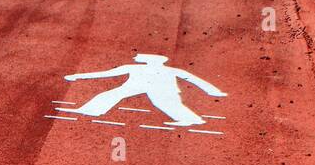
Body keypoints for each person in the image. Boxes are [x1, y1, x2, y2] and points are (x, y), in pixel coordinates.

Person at [64, 54, 226, 127]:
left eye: (139, 58)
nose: (136, 59)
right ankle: (91, 110)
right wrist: (78, 76)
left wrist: (212, 91)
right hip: (137, 86)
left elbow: (193, 79)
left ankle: (193, 120)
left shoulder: (168, 71)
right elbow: (106, 74)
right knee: (111, 94)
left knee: (167, 104)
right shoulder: (133, 67)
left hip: (159, 88)